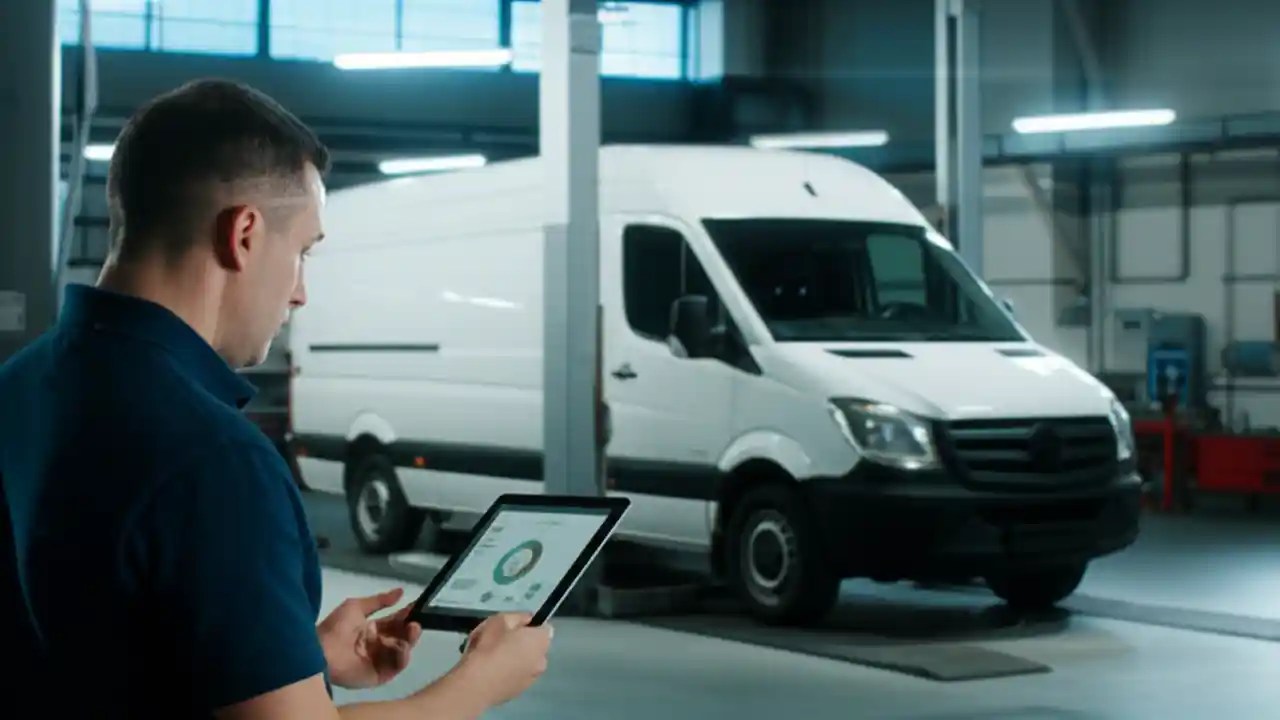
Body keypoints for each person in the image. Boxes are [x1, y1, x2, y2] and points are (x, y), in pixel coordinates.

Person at [0, 78, 551, 718]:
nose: (299, 294)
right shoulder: (213, 459)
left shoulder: (19, 388)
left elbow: (95, 642)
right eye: (302, 253)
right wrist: (479, 682)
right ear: (245, 234)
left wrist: (284, 660)